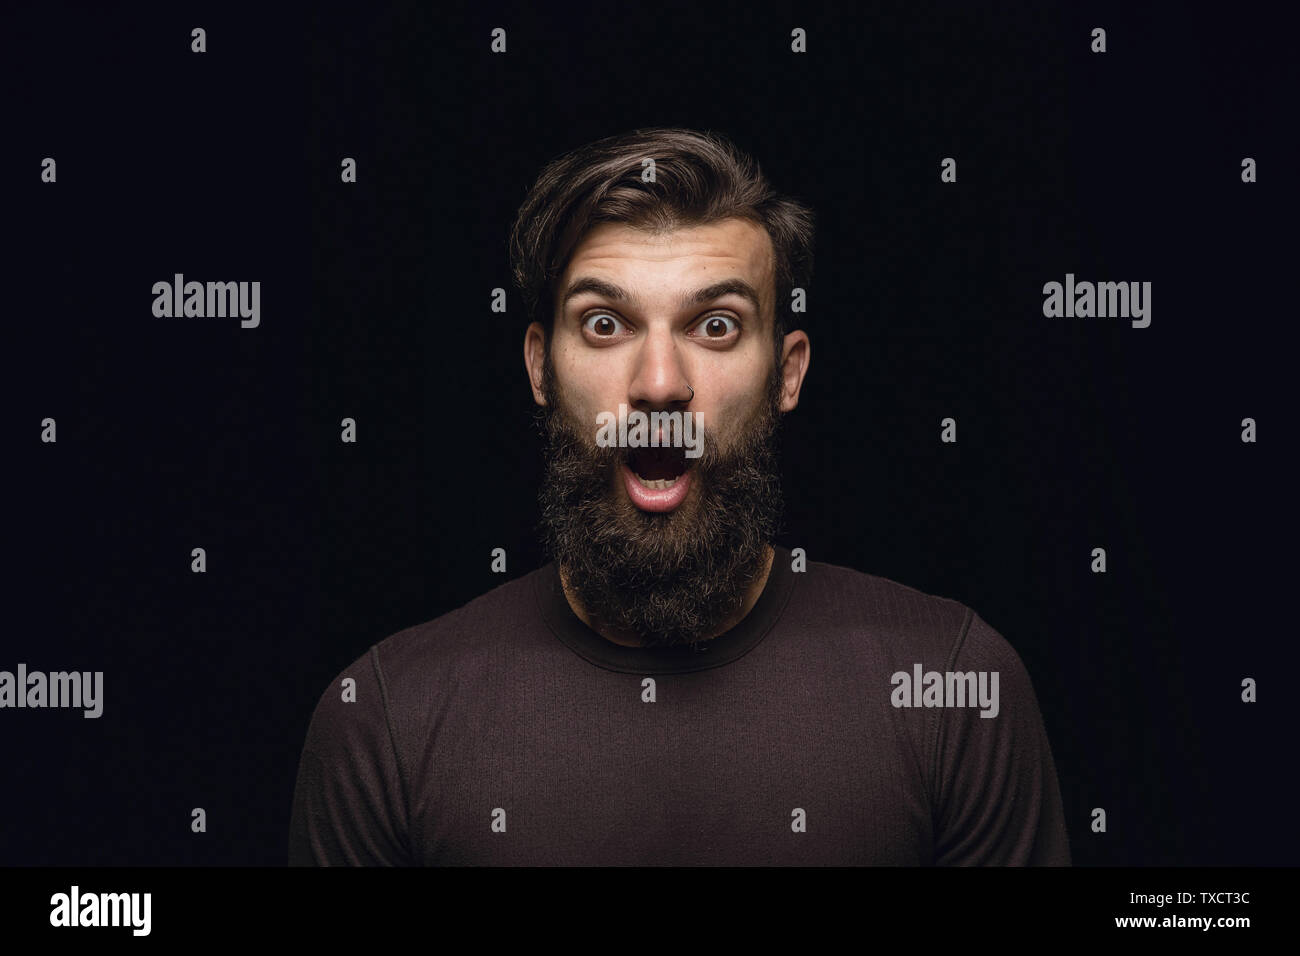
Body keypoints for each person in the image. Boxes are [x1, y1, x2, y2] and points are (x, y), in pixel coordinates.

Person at [288, 127, 1071, 865]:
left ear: (788, 372)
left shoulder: (955, 690)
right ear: (539, 366)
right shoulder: (387, 717)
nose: (660, 384)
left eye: (717, 326)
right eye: (604, 323)